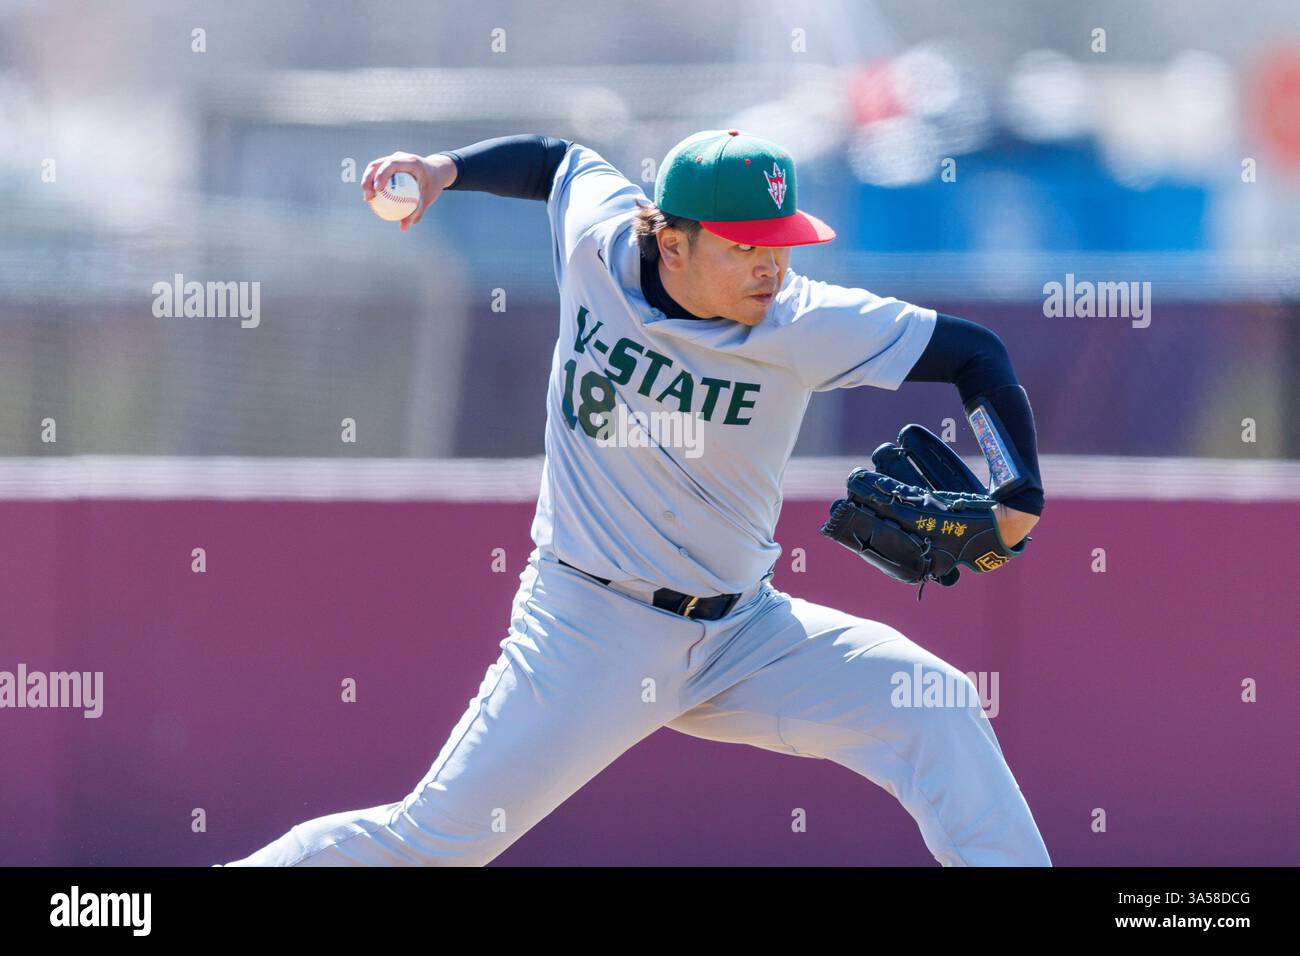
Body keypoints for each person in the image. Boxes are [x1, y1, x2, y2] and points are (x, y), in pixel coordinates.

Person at [222, 129, 1050, 867]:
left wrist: (1017, 498)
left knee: (934, 703)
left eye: (783, 244)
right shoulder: (599, 243)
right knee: (432, 846)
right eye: (747, 245)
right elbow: (555, 161)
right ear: (673, 240)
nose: (773, 265)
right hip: (590, 629)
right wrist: (441, 171)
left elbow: (977, 355)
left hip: (747, 634)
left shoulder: (803, 320)